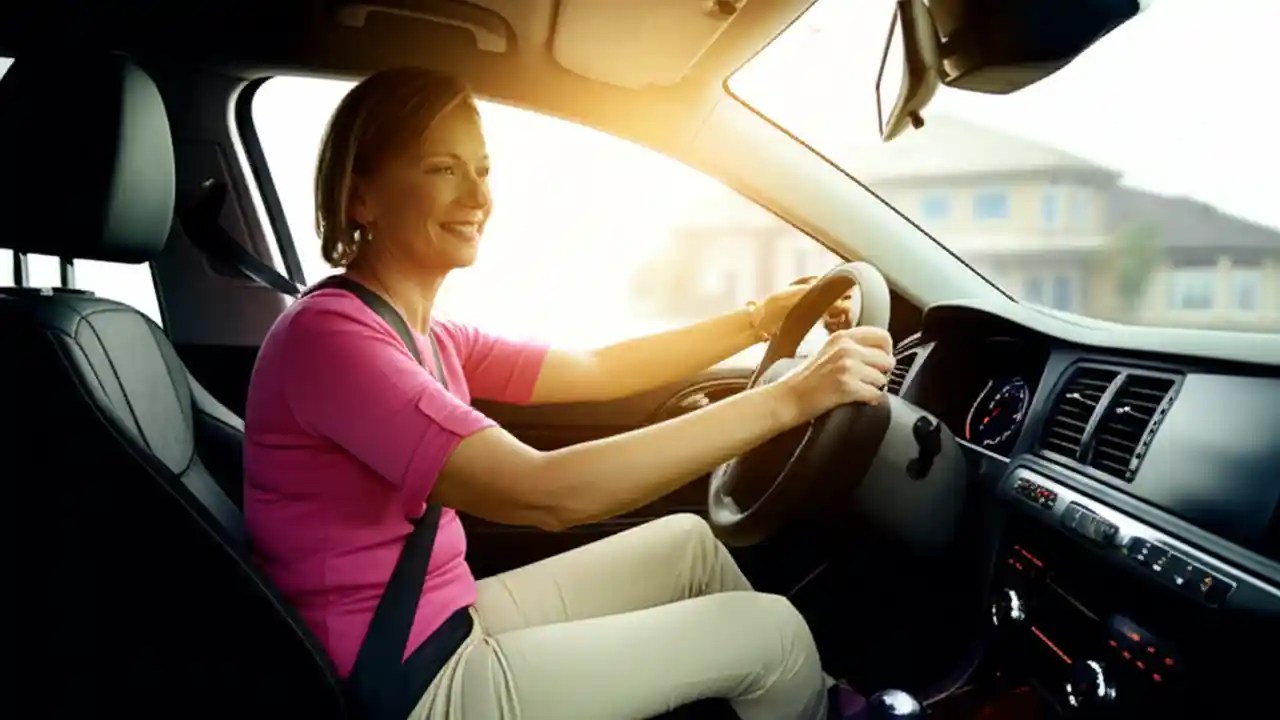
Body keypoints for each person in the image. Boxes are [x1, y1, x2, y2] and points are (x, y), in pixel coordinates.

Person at [242, 66, 895, 720]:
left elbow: (596, 368)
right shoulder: (331, 340)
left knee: (689, 546)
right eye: (443, 168)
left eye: (483, 169)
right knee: (772, 634)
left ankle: (806, 701)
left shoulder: (428, 336)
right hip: (406, 682)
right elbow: (545, 493)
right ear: (362, 197)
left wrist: (758, 322)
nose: (476, 195)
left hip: (438, 617)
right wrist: (790, 399)